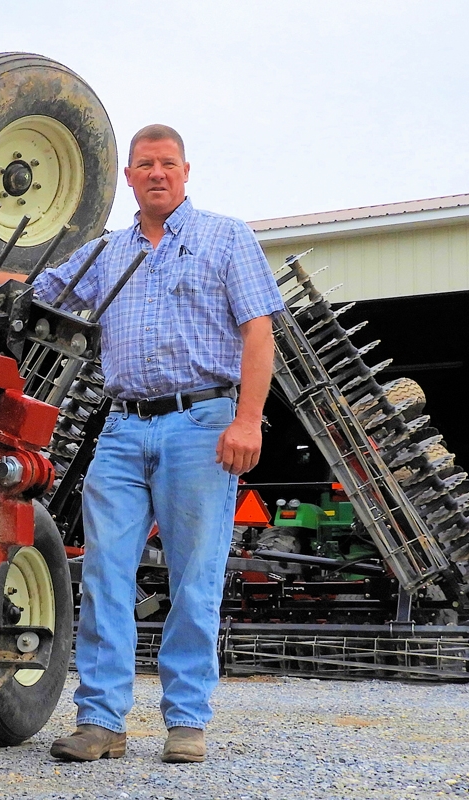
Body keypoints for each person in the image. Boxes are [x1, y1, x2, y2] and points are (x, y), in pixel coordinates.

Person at [31, 124, 283, 764]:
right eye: (144, 165)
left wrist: (247, 420)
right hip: (121, 429)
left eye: (167, 164)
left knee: (194, 579)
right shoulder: (108, 252)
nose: (156, 174)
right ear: (129, 177)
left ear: (186, 171)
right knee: (105, 576)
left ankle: (187, 722)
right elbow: (38, 291)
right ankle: (101, 722)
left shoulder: (226, 238)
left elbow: (260, 334)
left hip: (201, 426)